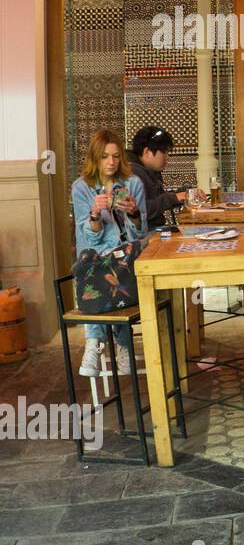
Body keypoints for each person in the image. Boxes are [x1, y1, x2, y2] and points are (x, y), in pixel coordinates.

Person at [72, 129, 147, 376]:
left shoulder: (133, 184)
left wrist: (133, 213)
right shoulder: (82, 188)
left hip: (123, 256)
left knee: (117, 276)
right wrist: (95, 213)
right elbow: (89, 237)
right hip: (95, 257)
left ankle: (114, 344)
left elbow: (139, 233)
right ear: (95, 158)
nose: (111, 162)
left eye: (116, 156)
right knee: (97, 273)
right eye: (105, 157)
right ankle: (98, 343)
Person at [127, 127, 204, 229]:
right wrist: (174, 197)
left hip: (156, 231)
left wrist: (185, 193)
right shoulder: (133, 173)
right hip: (146, 235)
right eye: (164, 152)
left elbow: (158, 200)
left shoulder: (149, 171)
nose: (167, 157)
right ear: (146, 152)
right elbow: (140, 210)